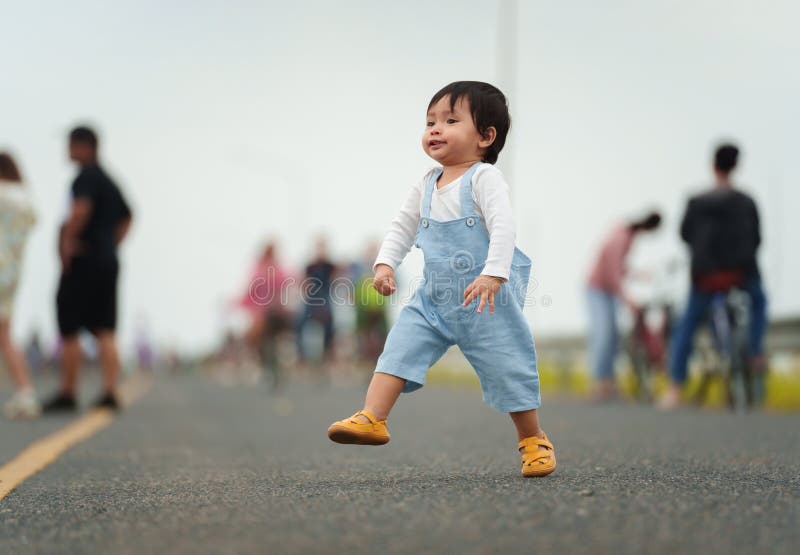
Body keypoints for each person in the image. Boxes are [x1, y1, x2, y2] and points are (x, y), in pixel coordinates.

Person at [326, 81, 556, 477]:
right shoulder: (426, 184)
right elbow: (402, 226)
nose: (435, 129)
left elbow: (503, 227)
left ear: (485, 136)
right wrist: (384, 265)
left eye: (450, 120)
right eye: (430, 121)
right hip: (433, 299)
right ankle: (372, 417)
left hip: (485, 302)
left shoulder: (484, 180)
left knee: (510, 366)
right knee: (398, 348)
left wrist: (493, 274)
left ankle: (532, 438)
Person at [660, 143, 768, 409]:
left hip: (706, 277)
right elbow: (757, 238)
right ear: (736, 166)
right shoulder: (746, 201)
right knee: (759, 303)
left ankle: (675, 388)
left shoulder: (696, 202)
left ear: (713, 165)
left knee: (686, 327)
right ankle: (755, 353)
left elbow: (685, 235)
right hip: (740, 274)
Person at [43, 126, 133, 412]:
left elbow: (80, 210)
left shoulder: (86, 177)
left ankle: (68, 392)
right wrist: (110, 243)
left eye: (71, 145)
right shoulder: (109, 180)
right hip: (106, 261)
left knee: (69, 325)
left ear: (84, 146)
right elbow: (129, 216)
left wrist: (68, 243)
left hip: (84, 261)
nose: (67, 151)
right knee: (105, 327)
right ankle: (109, 390)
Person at [586, 212, 662, 401]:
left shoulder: (627, 236)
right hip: (597, 289)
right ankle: (600, 384)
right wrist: (629, 300)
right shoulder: (621, 238)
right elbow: (613, 274)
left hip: (609, 291)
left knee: (614, 335)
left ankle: (609, 382)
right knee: (604, 334)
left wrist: (638, 274)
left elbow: (619, 269)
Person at [0, 152, 41, 418]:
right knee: (4, 335)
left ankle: (26, 393)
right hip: (11, 274)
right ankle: (26, 393)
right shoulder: (25, 200)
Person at [240, 241, 293, 390]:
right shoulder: (267, 269)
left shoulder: (271, 269)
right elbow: (251, 292)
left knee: (270, 344)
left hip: (272, 314)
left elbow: (288, 283)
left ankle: (274, 370)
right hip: (266, 314)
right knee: (263, 344)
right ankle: (271, 370)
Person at [295, 237, 337, 368]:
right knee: (299, 323)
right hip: (311, 300)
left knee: (330, 324)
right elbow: (304, 283)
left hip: (325, 300)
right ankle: (301, 355)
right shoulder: (310, 266)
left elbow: (337, 279)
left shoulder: (330, 266)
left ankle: (327, 353)